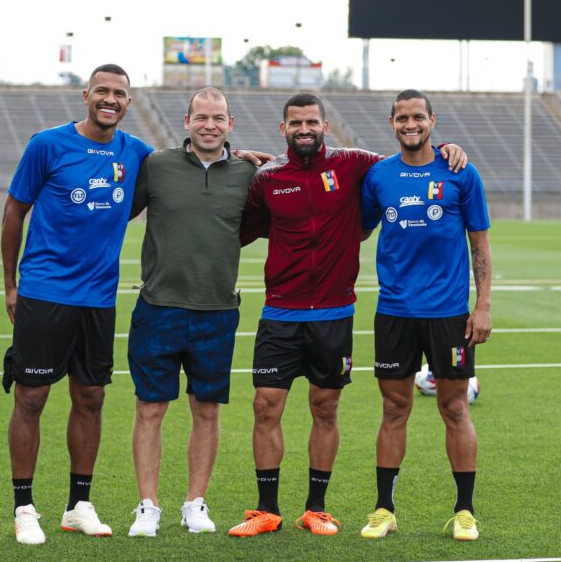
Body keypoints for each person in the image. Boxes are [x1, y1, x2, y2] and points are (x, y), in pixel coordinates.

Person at [231, 93, 467, 538]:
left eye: (312, 122)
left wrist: (447, 146)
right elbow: (244, 230)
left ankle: (316, 508)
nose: (305, 129)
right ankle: (265, 509)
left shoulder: (356, 163)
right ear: (283, 130)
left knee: (325, 406)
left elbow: (411, 150)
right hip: (280, 310)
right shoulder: (268, 178)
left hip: (335, 313)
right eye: (296, 123)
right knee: (265, 406)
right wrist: (239, 161)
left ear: (326, 126)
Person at [1, 64, 151, 545]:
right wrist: (11, 284)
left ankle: (77, 505)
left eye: (119, 94)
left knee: (91, 397)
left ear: (130, 102)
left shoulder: (136, 153)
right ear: (86, 95)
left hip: (99, 298)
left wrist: (238, 155)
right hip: (45, 292)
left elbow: (190, 161)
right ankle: (24, 507)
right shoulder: (47, 144)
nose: (110, 99)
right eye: (102, 91)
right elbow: (13, 210)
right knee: (32, 397)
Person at [358, 89, 492, 542]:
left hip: (449, 314)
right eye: (401, 117)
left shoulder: (460, 172)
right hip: (394, 311)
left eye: (418, 116)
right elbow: (355, 228)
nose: (410, 124)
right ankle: (384, 509)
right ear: (392, 123)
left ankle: (465, 512)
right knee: (394, 408)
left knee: (454, 408)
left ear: (433, 121)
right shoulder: (379, 176)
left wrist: (483, 305)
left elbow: (480, 245)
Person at [124, 87, 257, 537]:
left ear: (230, 124)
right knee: (150, 409)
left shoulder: (247, 172)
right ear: (186, 121)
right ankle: (148, 506)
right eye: (201, 117)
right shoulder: (156, 166)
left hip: (217, 311)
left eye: (218, 118)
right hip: (158, 307)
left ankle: (194, 503)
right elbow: (118, 211)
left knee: (207, 411)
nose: (209, 125)